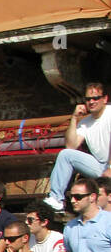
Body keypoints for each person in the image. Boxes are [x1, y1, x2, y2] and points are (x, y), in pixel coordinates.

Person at [44, 81, 111, 213]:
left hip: (109, 166)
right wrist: (74, 118)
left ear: (105, 99)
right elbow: (71, 145)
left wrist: (110, 168)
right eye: (88, 99)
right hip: (100, 166)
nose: (91, 101)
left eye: (96, 98)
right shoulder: (86, 122)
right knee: (65, 154)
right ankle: (56, 198)